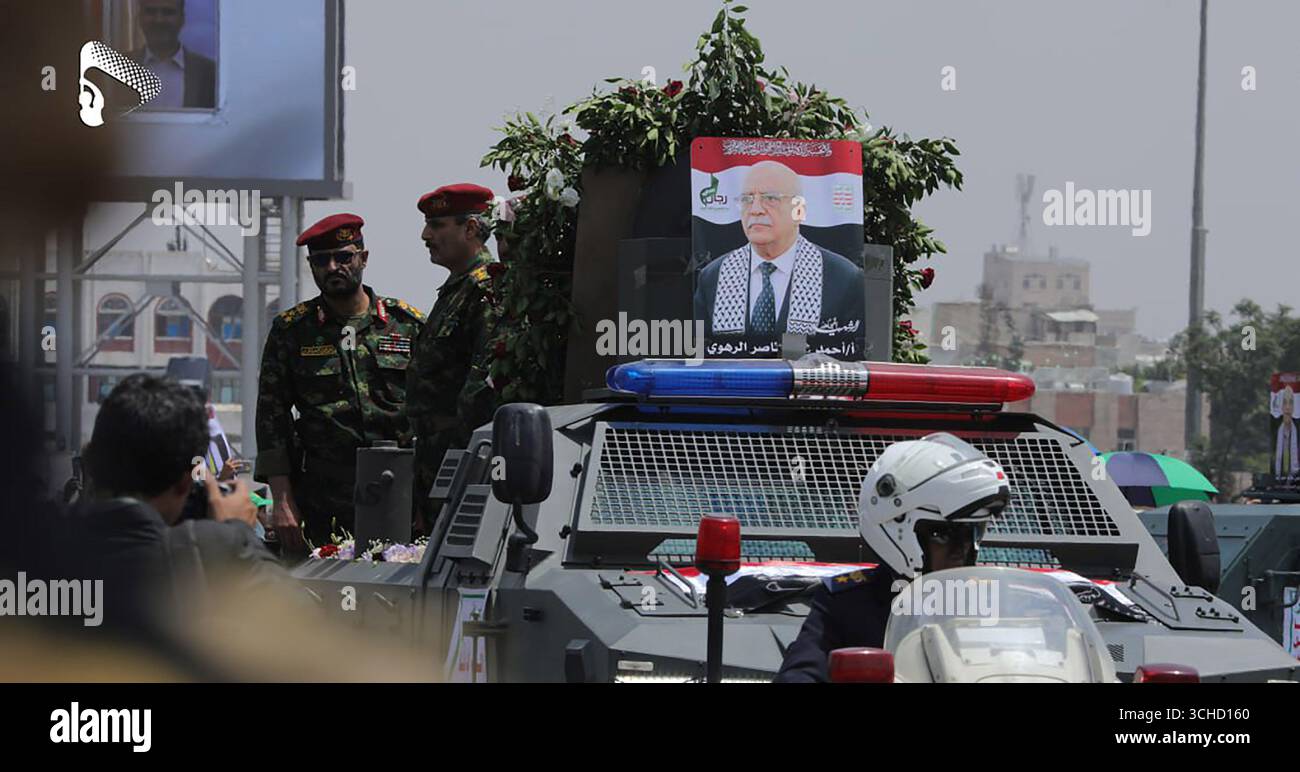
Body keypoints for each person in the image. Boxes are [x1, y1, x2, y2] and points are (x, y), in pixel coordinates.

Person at [773, 433, 1011, 683]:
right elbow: (799, 677)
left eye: (973, 532)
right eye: (943, 534)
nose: (962, 548)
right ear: (895, 527)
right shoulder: (848, 605)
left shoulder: (1000, 606)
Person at [254, 214, 425, 552]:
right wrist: (282, 499)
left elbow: (432, 411)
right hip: (322, 497)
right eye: (321, 260)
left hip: (400, 490)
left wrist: (428, 496)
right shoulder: (291, 331)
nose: (333, 267)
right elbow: (271, 417)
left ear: (363, 258)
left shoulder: (407, 325)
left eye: (343, 257)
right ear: (311, 266)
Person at [76, 374, 278, 635]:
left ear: (92, 462)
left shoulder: (35, 552)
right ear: (184, 484)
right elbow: (301, 630)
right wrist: (236, 536)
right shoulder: (187, 564)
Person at [407, 184, 501, 531]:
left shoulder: (486, 287)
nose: (425, 235)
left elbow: (481, 389)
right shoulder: (456, 290)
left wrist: (465, 467)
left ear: (471, 228)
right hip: (437, 467)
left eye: (437, 224)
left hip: (464, 469)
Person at [694, 160, 865, 344]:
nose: (756, 210)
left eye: (770, 198)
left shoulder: (842, 278)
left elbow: (852, 355)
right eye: (747, 199)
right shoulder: (714, 277)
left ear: (798, 210)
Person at [128, 0, 216, 109]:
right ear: (139, 18)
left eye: (168, 12)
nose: (158, 20)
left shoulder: (209, 73)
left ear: (182, 19)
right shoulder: (117, 68)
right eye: (150, 12)